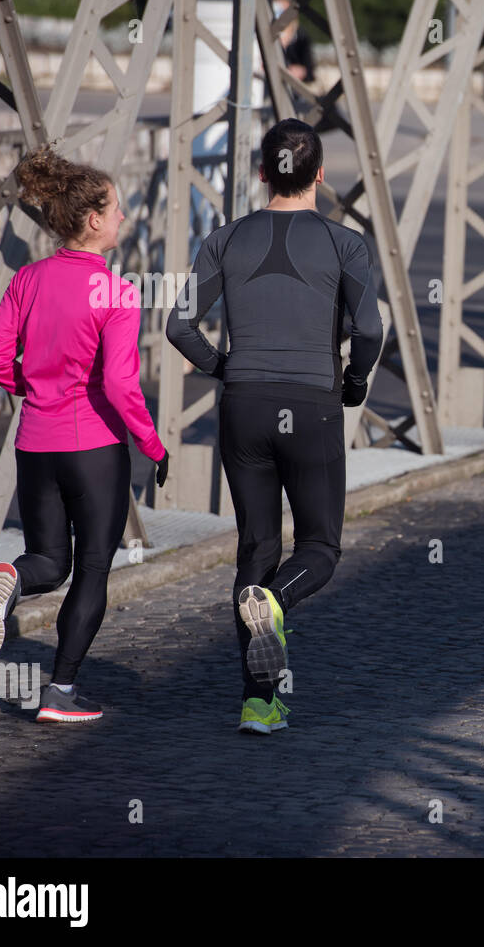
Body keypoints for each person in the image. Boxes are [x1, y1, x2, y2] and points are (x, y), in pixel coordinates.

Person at [165, 117, 385, 735]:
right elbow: (369, 329)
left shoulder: (223, 240)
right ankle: (277, 601)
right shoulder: (347, 244)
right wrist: (356, 381)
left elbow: (179, 327)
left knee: (257, 549)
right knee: (318, 547)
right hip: (312, 404)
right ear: (320, 175)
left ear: (262, 174)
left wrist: (223, 367)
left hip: (244, 405)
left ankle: (258, 705)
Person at [0, 143, 169, 723]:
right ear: (93, 220)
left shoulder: (28, 279)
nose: (124, 218)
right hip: (95, 449)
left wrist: (33, 384)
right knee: (93, 569)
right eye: (117, 210)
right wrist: (154, 447)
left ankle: (9, 577)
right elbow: (122, 383)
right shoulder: (115, 290)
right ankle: (59, 694)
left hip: (36, 443)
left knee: (48, 561)